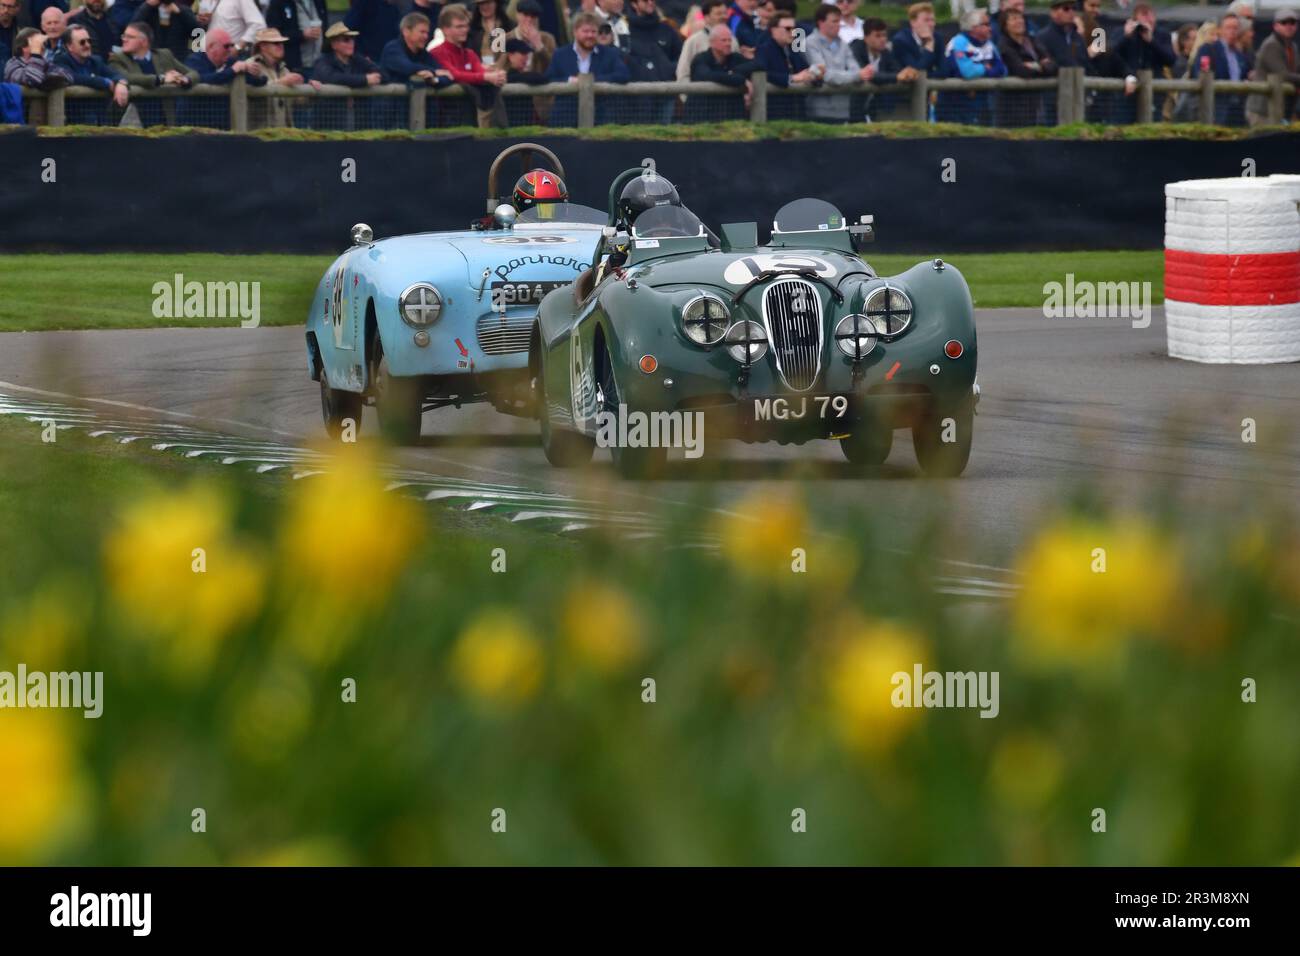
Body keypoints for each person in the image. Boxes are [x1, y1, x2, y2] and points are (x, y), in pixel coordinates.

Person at [432, 2, 507, 127]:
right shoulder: (437, 52)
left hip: (470, 116)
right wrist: (487, 77)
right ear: (445, 29)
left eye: (466, 26)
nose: (465, 30)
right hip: (445, 118)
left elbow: (480, 72)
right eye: (459, 27)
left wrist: (496, 75)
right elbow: (455, 75)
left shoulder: (470, 53)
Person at [108, 19, 196, 125]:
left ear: (144, 42)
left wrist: (185, 79)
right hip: (134, 125)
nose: (124, 40)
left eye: (130, 37)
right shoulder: (117, 59)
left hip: (165, 124)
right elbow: (127, 77)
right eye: (124, 36)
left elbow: (193, 73)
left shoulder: (164, 55)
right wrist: (161, 79)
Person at [53, 19, 129, 122]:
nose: (87, 45)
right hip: (74, 123)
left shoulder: (96, 60)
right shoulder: (60, 60)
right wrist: (104, 82)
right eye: (82, 42)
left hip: (100, 122)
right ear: (69, 46)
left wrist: (121, 83)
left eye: (89, 41)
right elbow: (73, 77)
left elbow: (115, 74)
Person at [805, 3, 867, 124]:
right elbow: (826, 75)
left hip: (843, 110)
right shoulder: (810, 43)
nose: (839, 24)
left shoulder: (843, 44)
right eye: (834, 21)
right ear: (821, 23)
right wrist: (856, 76)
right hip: (819, 112)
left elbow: (855, 69)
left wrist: (856, 75)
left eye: (839, 21)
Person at [941, 8, 1005, 125]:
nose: (990, 28)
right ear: (973, 27)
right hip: (956, 106)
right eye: (986, 24)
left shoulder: (989, 44)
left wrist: (980, 69)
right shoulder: (958, 42)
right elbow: (967, 72)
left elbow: (1002, 69)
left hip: (983, 104)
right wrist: (986, 68)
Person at [851, 16, 917, 120]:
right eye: (877, 36)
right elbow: (868, 75)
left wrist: (906, 74)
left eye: (884, 35)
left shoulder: (885, 53)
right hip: (852, 108)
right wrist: (897, 76)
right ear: (866, 37)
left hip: (876, 109)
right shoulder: (856, 48)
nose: (883, 39)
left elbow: (897, 71)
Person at [997, 7, 1053, 124]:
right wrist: (1041, 65)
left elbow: (1052, 66)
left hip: (1037, 102)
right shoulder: (1004, 46)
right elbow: (1020, 70)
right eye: (1014, 19)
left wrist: (1034, 66)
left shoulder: (1032, 41)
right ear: (1005, 25)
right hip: (1015, 105)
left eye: (1021, 18)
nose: (1019, 21)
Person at [1191, 12, 1250, 124]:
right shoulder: (1208, 50)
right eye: (1228, 27)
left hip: (1237, 109)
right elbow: (1200, 74)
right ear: (1220, 30)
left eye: (1235, 28)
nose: (1232, 31)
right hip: (1216, 108)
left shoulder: (1240, 55)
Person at [626, 0, 679, 121]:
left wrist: (669, 70)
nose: (650, 3)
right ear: (634, 4)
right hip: (635, 97)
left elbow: (680, 56)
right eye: (645, 1)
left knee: (665, 135)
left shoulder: (666, 29)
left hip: (666, 93)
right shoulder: (625, 29)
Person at [1245, 8, 1299, 125]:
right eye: (1284, 22)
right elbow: (1282, 75)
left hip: (1277, 108)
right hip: (1262, 110)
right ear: (1275, 26)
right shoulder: (1271, 45)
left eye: (1292, 22)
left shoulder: (1292, 46)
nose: (1289, 26)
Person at [247, 25, 306, 127]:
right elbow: (247, 91)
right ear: (263, 46)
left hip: (284, 135)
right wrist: (282, 83)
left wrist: (310, 90)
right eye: (276, 43)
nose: (281, 46)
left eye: (282, 43)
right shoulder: (250, 65)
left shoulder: (285, 70)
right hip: (258, 135)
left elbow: (300, 102)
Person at [546, 10, 629, 81]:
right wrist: (570, 80)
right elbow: (549, 78)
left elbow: (623, 75)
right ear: (575, 32)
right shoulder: (560, 54)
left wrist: (592, 81)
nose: (590, 35)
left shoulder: (609, 54)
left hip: (599, 99)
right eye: (585, 31)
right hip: (570, 99)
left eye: (593, 31)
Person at [380, 11, 452, 86]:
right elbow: (407, 67)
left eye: (427, 33)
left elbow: (446, 75)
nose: (426, 36)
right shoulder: (392, 49)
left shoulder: (424, 54)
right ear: (406, 31)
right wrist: (434, 72)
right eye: (422, 32)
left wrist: (434, 80)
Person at [676, 0, 732, 82]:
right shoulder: (693, 41)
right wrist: (689, 93)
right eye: (718, 14)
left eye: (725, 13)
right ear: (707, 18)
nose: (723, 17)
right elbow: (683, 73)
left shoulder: (732, 40)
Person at [266, 0, 329, 72]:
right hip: (293, 67)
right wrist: (301, 35)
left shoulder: (319, 2)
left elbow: (325, 26)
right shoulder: (279, 3)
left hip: (319, 65)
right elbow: (273, 35)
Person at [313, 21, 381, 86]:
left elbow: (384, 75)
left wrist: (373, 76)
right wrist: (365, 79)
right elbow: (332, 78)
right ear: (334, 45)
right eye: (346, 39)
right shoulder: (322, 61)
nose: (351, 43)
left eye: (352, 38)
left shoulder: (357, 58)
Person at [5, 26, 71, 87]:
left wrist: (42, 80)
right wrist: (36, 54)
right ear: (24, 47)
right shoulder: (13, 65)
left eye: (42, 43)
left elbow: (67, 76)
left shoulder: (44, 62)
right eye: (37, 43)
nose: (42, 46)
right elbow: (31, 80)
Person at [891, 2, 940, 78]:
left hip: (928, 86)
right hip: (904, 88)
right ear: (913, 22)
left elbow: (944, 71)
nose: (932, 24)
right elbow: (914, 71)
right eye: (926, 20)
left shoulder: (937, 37)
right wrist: (929, 46)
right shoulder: (900, 41)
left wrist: (928, 76)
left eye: (933, 20)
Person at [1037, 0, 1088, 72]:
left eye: (1074, 8)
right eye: (1066, 8)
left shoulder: (1077, 36)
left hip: (1081, 80)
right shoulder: (1043, 37)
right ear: (1053, 13)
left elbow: (1086, 64)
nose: (1071, 12)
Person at [467, 0, 512, 64]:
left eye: (488, 3)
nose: (485, 7)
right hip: (479, 67)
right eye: (481, 4)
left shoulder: (508, 25)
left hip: (503, 67)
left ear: (496, 3)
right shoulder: (472, 27)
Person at [0, 0, 28, 76]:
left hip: (14, 77)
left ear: (17, 8)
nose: (6, 10)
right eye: (3, 5)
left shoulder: (22, 30)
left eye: (10, 7)